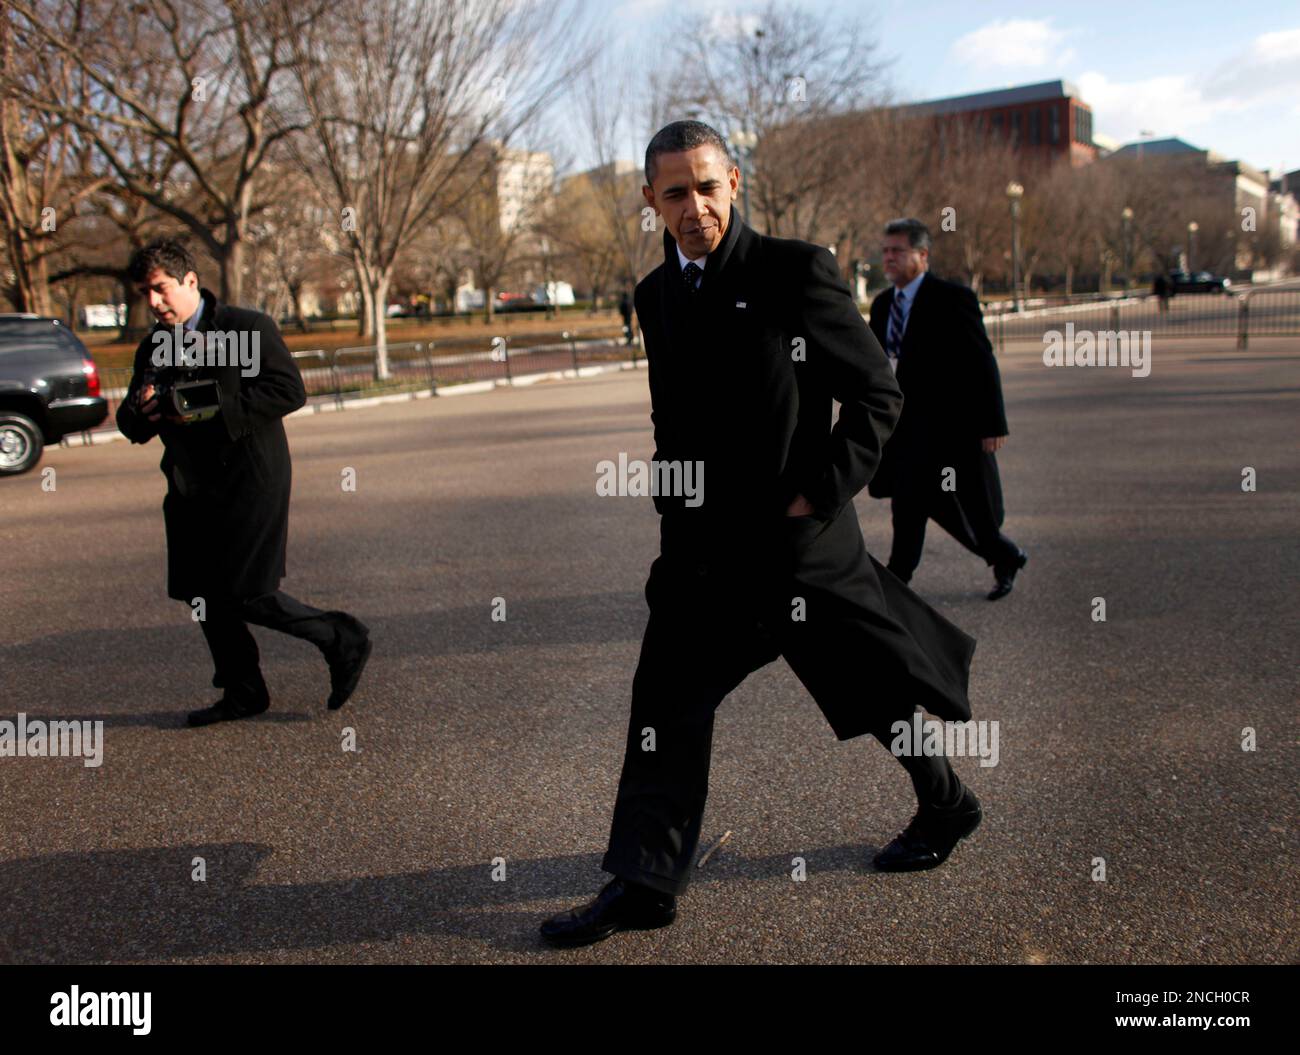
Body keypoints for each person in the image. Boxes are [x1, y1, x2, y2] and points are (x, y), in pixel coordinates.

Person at [539, 123, 983, 949]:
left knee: (868, 688)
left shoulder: (795, 271)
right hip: (704, 557)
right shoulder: (654, 295)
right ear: (651, 202)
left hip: (797, 548)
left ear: (734, 182)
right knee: (665, 702)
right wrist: (672, 524)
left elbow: (877, 394)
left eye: (708, 186)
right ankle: (644, 880)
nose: (695, 206)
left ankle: (946, 799)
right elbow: (670, 421)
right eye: (675, 192)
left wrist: (818, 491)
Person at [116, 238, 372, 726]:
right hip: (190, 488)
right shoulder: (154, 345)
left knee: (247, 592)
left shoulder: (246, 328)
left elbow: (286, 390)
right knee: (201, 594)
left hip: (250, 480)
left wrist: (197, 406)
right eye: (144, 294)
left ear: (190, 281)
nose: (153, 303)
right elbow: (133, 423)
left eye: (160, 289)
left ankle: (341, 637)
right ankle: (244, 691)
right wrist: (138, 412)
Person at [867, 219, 1028, 601]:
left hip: (954, 431)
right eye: (885, 250)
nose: (888, 258)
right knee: (907, 507)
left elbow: (981, 361)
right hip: (906, 432)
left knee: (975, 512)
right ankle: (897, 581)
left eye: (897, 251)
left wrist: (993, 423)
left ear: (922, 256)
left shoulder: (953, 298)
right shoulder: (883, 304)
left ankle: (1005, 556)